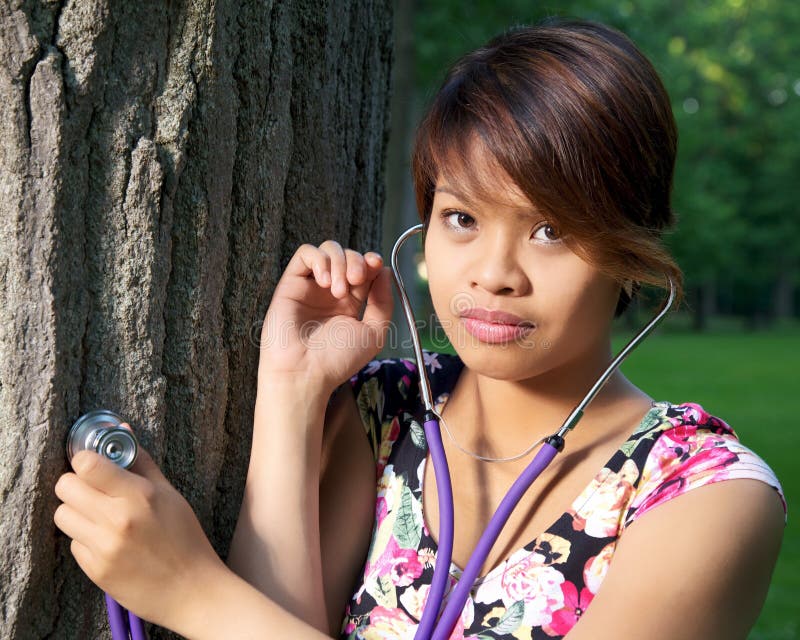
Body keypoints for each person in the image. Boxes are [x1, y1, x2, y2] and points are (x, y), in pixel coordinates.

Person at [54, 17, 786, 640]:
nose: (493, 272)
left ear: (632, 252)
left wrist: (193, 594)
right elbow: (274, 619)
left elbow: (238, 622)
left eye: (552, 229)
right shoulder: (385, 414)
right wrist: (293, 390)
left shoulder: (709, 499)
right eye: (462, 218)